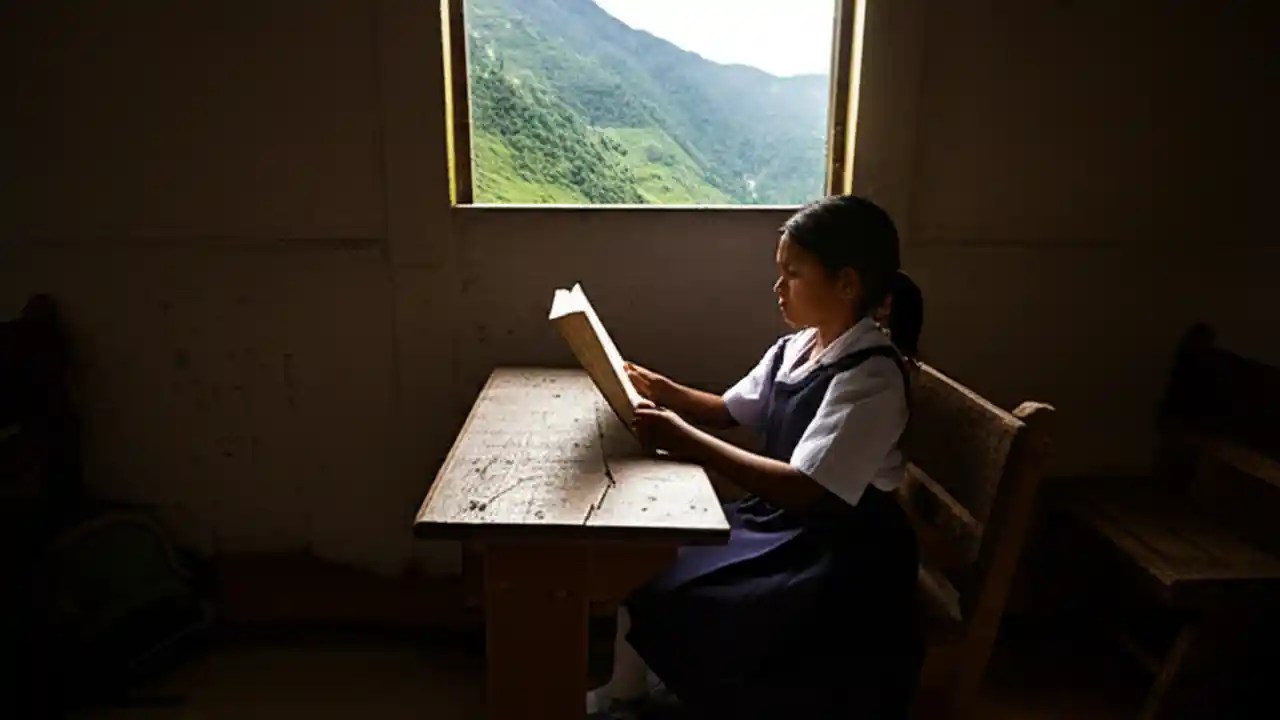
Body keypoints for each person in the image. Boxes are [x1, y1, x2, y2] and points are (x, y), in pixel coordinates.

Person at [588, 195, 925, 719]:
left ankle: (646, 697)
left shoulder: (870, 377)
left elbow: (803, 487)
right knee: (652, 555)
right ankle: (627, 693)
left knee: (698, 592)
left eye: (793, 273)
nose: (778, 287)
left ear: (847, 284)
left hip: (842, 547)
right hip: (786, 519)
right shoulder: (797, 348)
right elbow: (728, 410)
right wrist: (662, 389)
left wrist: (683, 438)